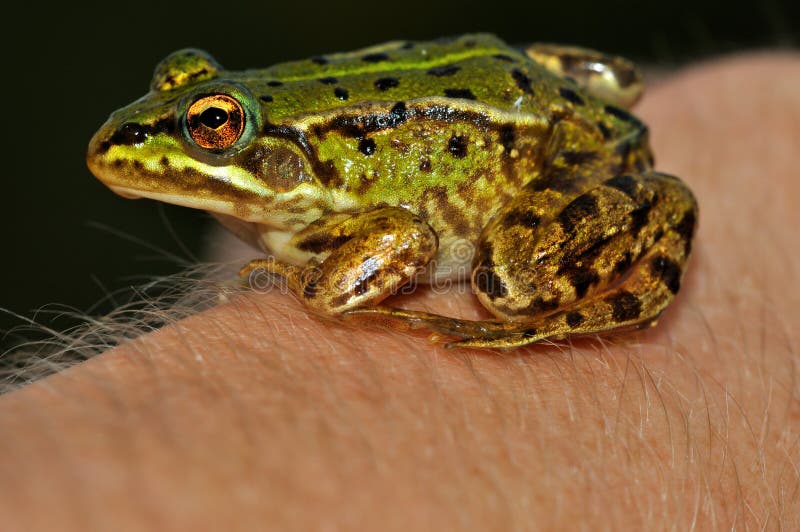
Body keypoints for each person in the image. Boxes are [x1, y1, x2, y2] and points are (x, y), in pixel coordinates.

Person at [0, 53, 798, 530]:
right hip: (523, 79)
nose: (160, 138)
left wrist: (319, 288)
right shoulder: (284, 182)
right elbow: (619, 83)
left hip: (547, 154)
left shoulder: (330, 194)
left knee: (510, 285)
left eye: (212, 128)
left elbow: (406, 240)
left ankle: (607, 274)